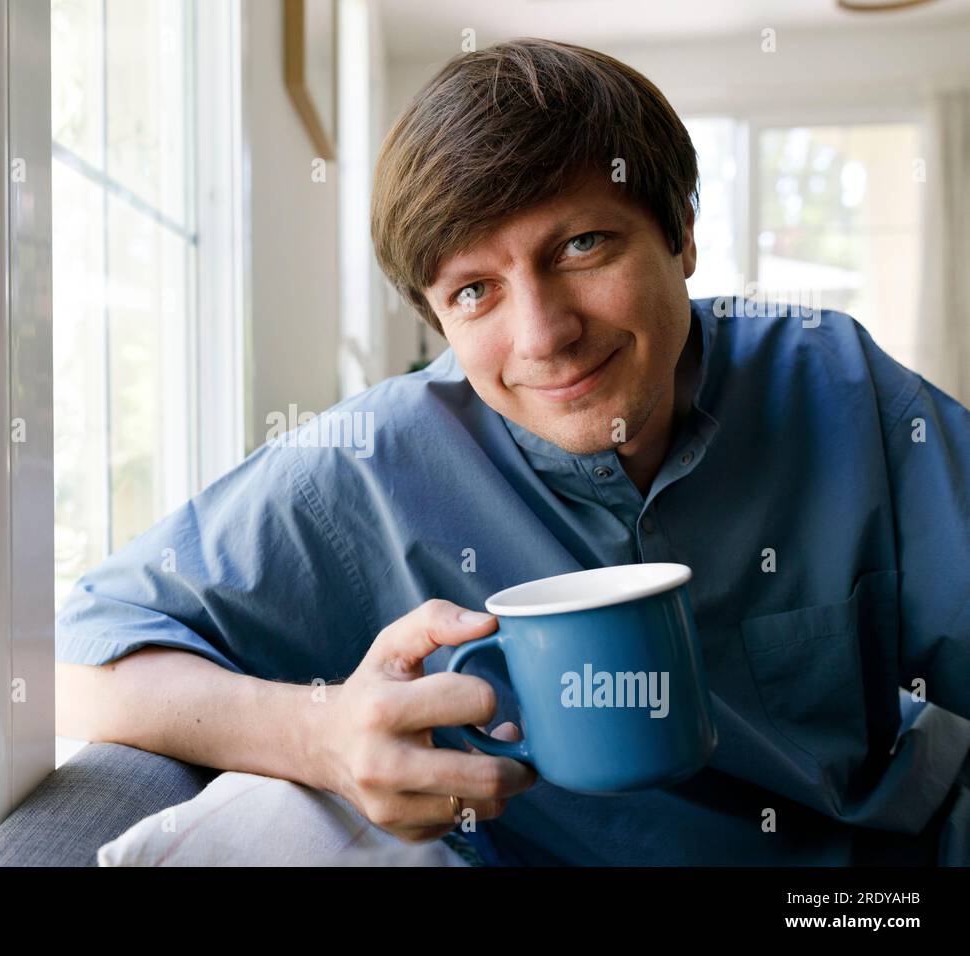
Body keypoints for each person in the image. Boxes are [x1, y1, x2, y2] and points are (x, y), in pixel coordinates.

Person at [55, 38, 970, 865]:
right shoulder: (369, 465)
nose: (544, 337)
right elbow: (73, 662)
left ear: (682, 234)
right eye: (474, 293)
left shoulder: (832, 383)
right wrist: (320, 734)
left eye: (580, 246)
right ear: (436, 320)